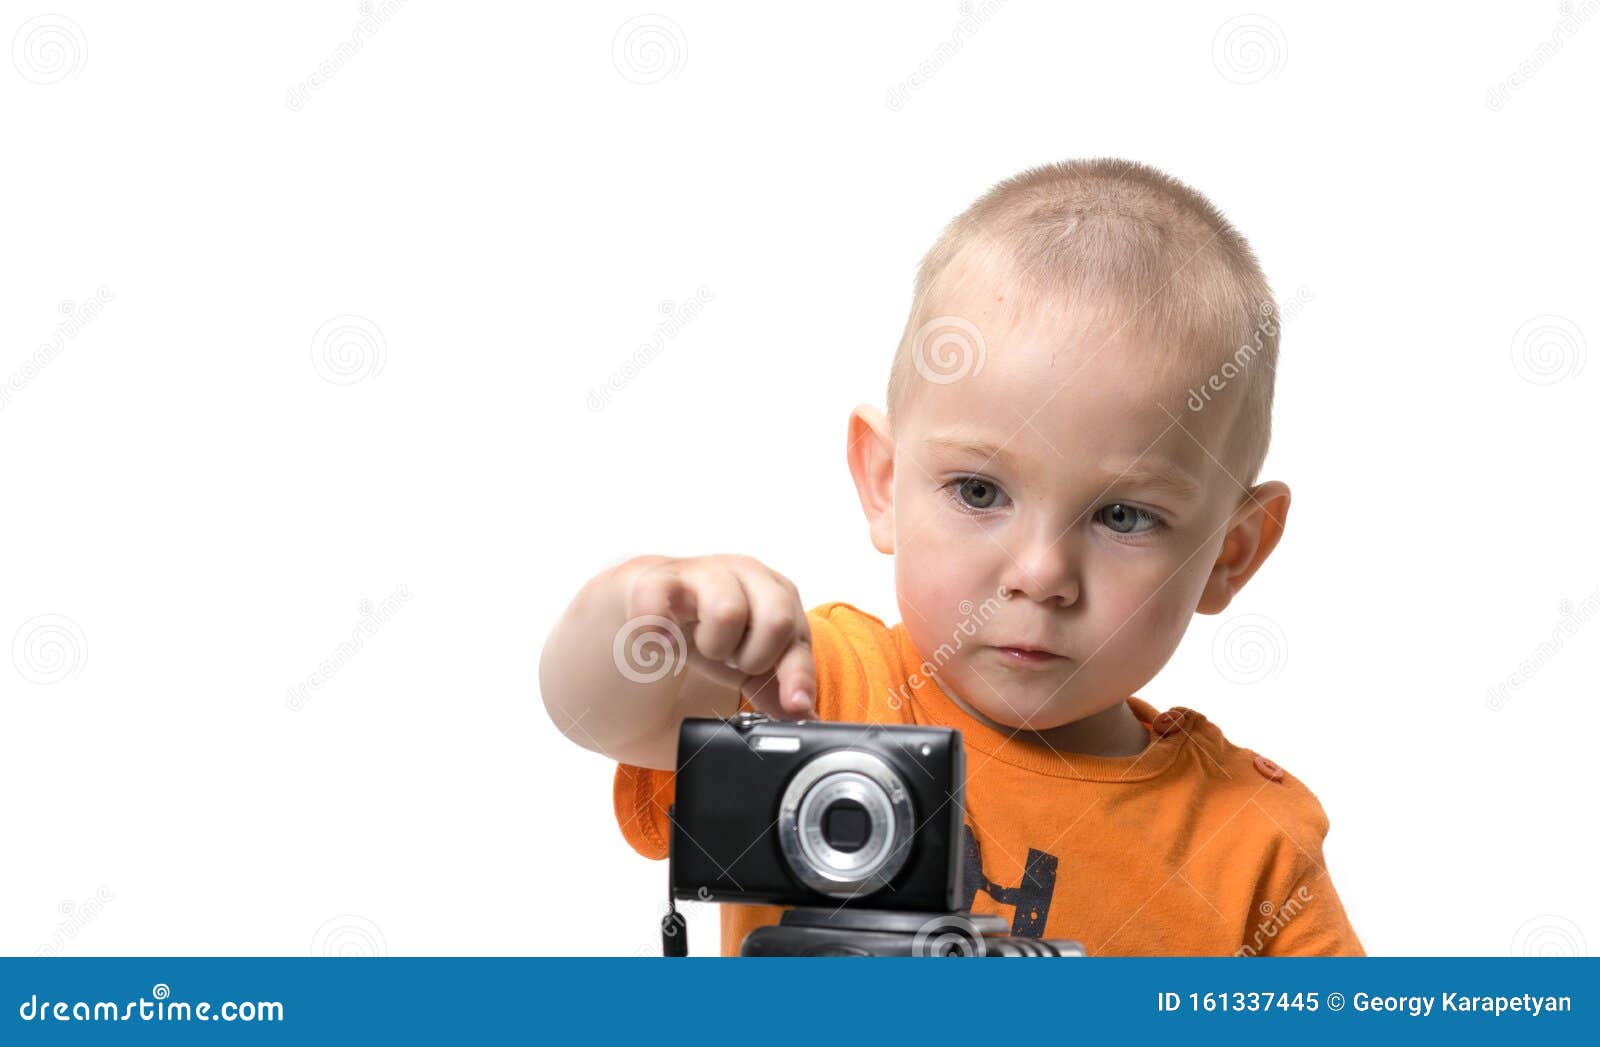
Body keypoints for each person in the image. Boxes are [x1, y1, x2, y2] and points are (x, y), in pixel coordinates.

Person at [541, 157, 1364, 957]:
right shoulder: (816, 693)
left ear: (1232, 550)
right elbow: (595, 710)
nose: (1039, 574)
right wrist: (641, 621)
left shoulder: (1252, 847)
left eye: (1122, 515)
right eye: (978, 492)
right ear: (884, 479)